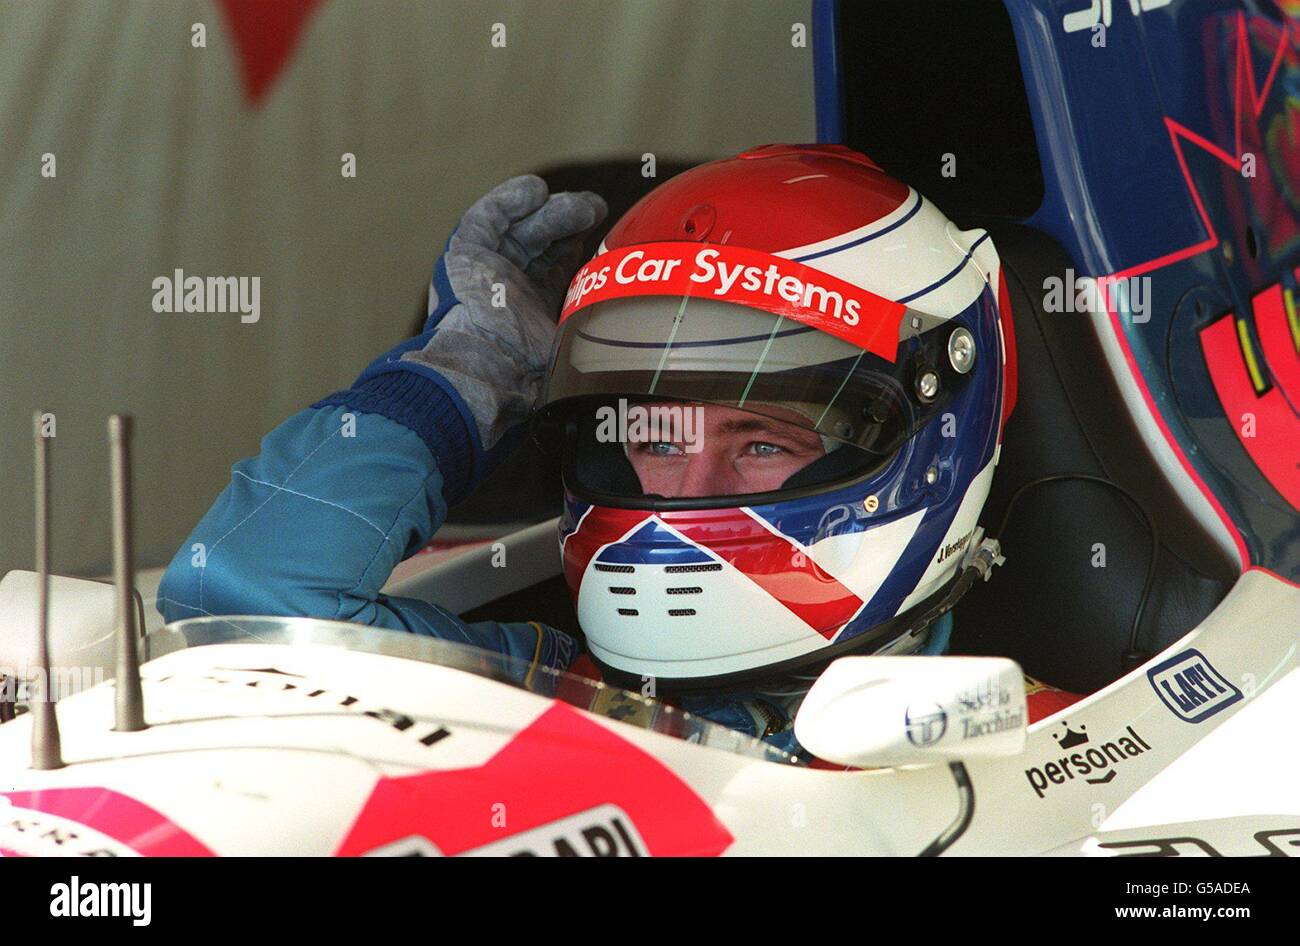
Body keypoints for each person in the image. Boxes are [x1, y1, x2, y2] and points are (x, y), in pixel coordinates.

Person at [159, 144, 1080, 759]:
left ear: (936, 437)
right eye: (655, 434)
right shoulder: (547, 696)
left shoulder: (1068, 754)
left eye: (762, 442)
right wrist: (464, 371)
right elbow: (246, 599)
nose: (693, 490)